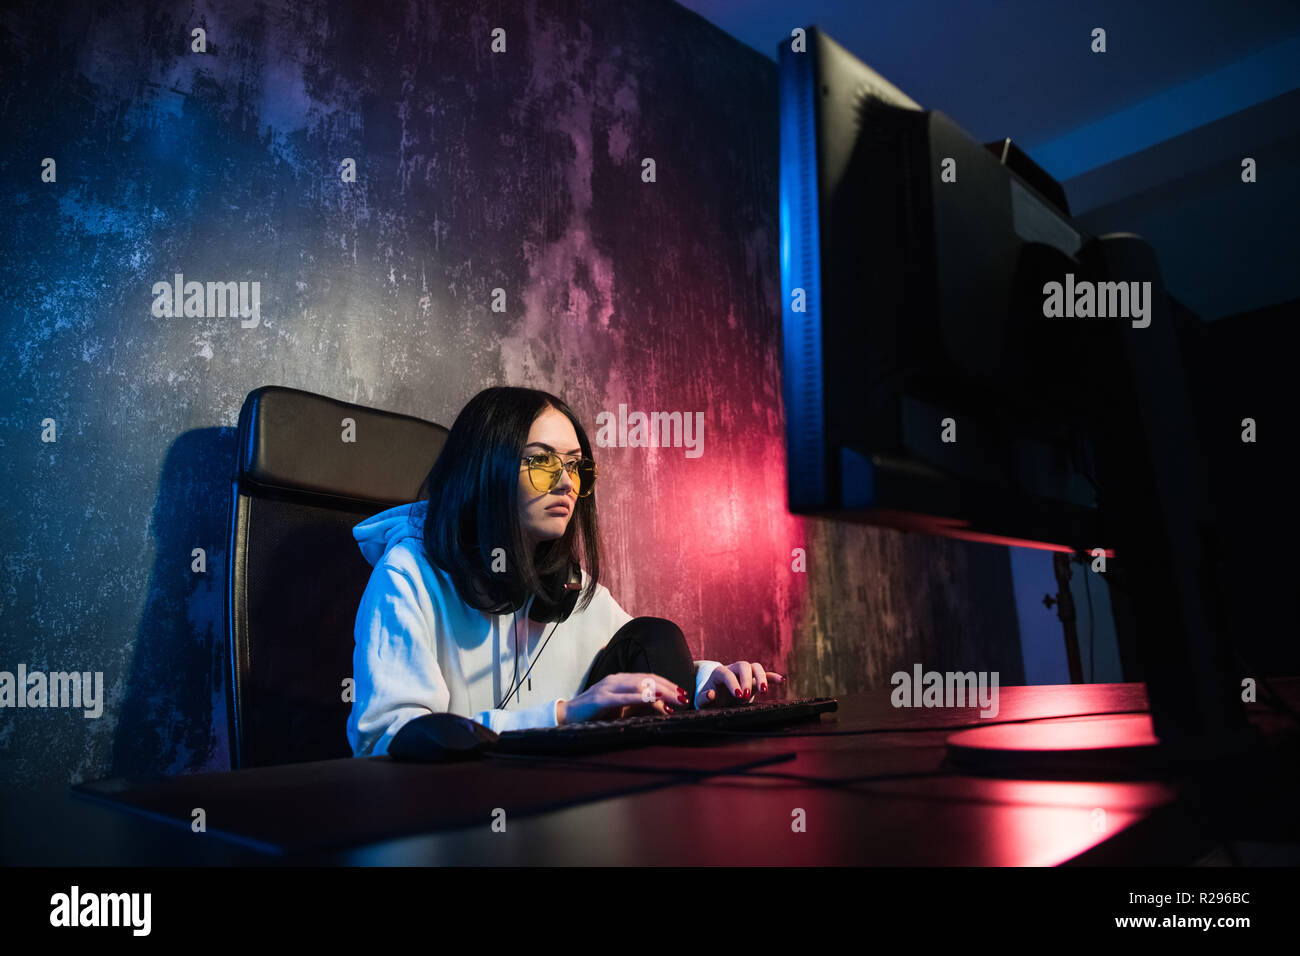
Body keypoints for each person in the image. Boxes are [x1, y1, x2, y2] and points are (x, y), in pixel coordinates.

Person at [346, 386, 784, 757]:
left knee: (656, 634)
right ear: (486, 471)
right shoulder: (407, 576)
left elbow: (644, 658)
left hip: (561, 807)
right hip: (457, 822)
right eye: (541, 462)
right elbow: (389, 738)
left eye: (575, 465)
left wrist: (710, 684)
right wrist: (564, 715)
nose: (566, 483)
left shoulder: (564, 585)